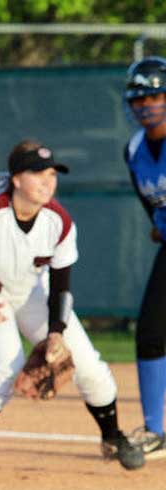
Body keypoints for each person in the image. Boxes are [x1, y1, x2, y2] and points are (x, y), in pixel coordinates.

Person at [0, 139, 144, 481]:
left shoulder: (59, 222)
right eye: (38, 174)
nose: (48, 181)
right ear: (17, 179)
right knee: (7, 368)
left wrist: (55, 334)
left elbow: (61, 287)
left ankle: (112, 438)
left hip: (34, 295)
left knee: (88, 364)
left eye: (52, 174)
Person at [122, 56, 166, 463]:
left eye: (154, 94)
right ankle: (156, 430)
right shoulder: (134, 148)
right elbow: (150, 204)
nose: (146, 103)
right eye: (138, 97)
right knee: (151, 333)